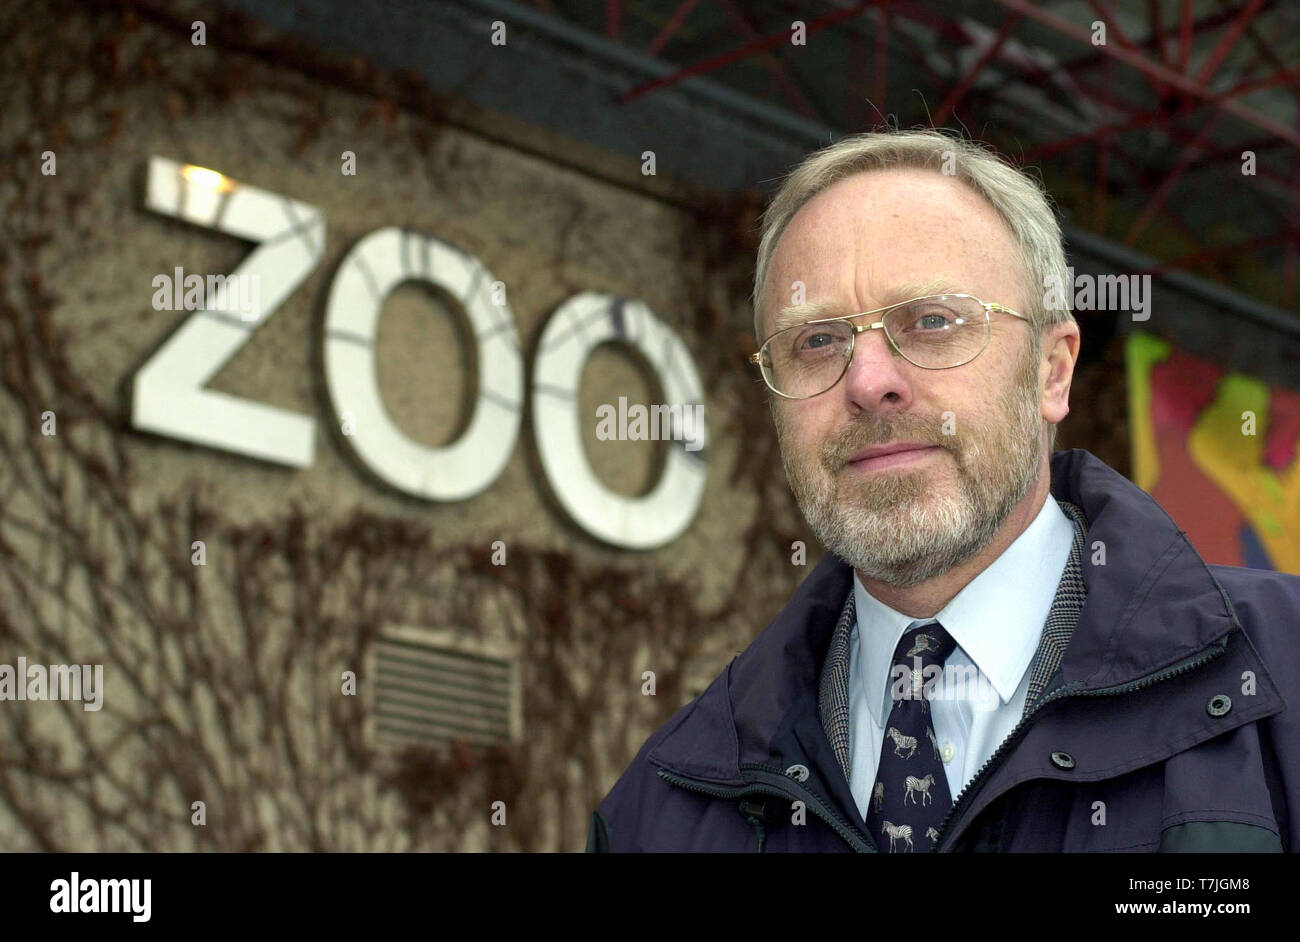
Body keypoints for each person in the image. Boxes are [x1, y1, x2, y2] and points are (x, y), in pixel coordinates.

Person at [586, 129, 1298, 853]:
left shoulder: (1283, 680)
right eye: (817, 342)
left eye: (931, 322)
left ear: (1053, 371)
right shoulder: (666, 807)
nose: (868, 383)